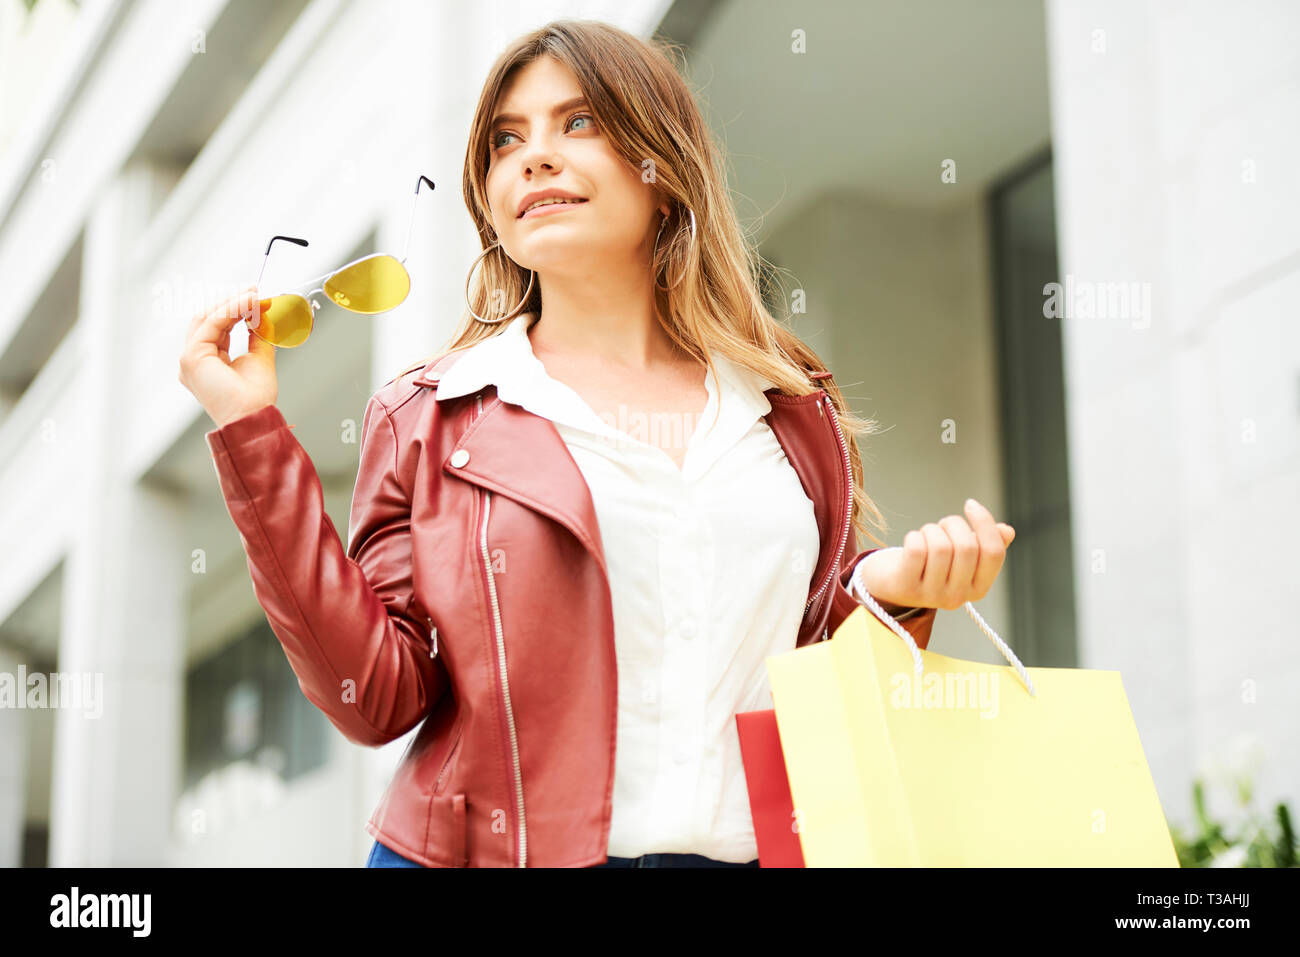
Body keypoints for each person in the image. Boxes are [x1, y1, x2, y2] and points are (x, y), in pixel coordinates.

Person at [177, 19, 1014, 868]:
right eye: (508, 140)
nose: (535, 156)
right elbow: (376, 698)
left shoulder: (789, 405)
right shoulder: (430, 416)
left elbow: (800, 661)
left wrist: (892, 588)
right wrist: (252, 434)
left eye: (578, 122)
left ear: (664, 172)